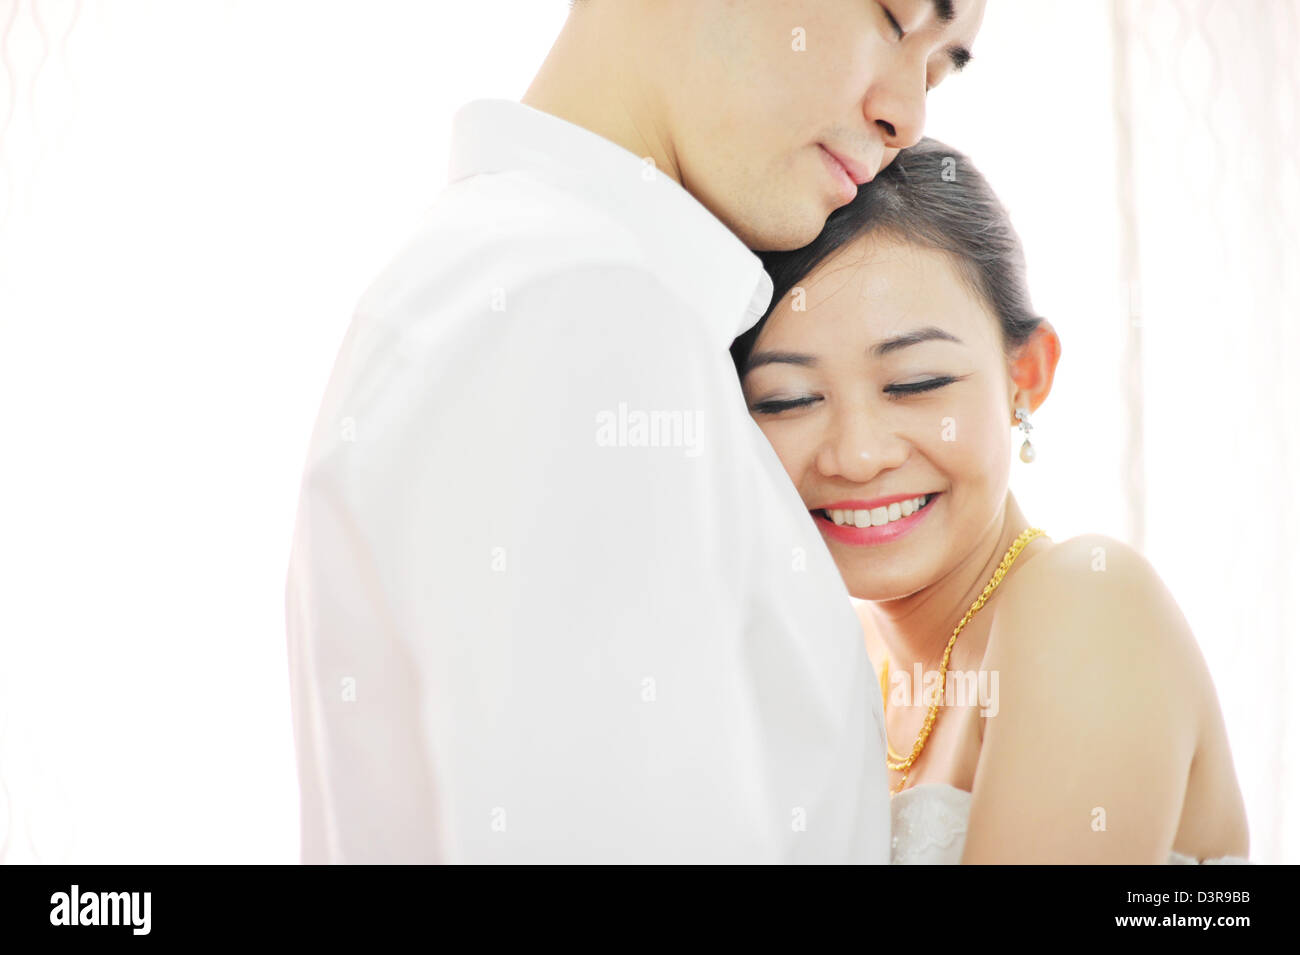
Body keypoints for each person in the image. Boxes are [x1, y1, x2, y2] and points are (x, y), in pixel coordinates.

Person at [284, 0, 987, 862]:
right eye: (892, 16)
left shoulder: (534, 285)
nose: (907, 117)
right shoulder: (577, 310)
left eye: (940, 68)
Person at [734, 137, 1251, 864]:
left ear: (1026, 374)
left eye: (914, 383)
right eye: (788, 399)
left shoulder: (1087, 603)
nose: (856, 455)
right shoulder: (825, 652)